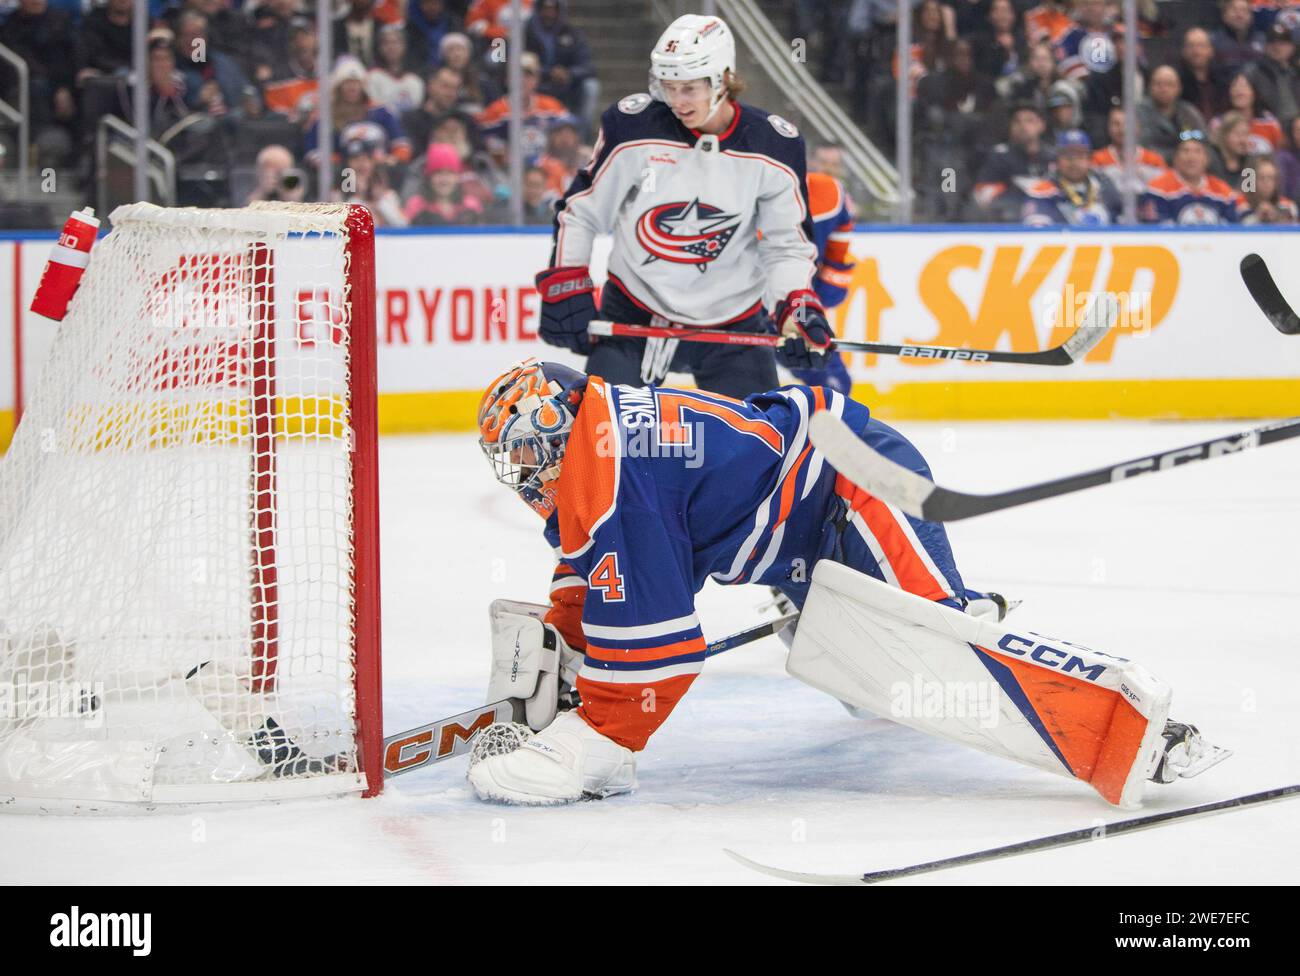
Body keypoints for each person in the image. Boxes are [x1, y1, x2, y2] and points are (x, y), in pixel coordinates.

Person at [465, 359, 1221, 804]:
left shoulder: (613, 474)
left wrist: (589, 742)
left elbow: (658, 654)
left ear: (565, 429)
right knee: (875, 674)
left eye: (532, 452)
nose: (526, 475)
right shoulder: (604, 444)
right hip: (803, 527)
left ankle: (1137, 730)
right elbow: (604, 572)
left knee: (937, 648)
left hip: (854, 478)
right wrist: (568, 637)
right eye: (514, 462)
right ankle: (955, 601)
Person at [534, 14, 827, 400]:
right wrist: (568, 281)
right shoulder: (634, 128)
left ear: (722, 80)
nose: (676, 102)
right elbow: (582, 211)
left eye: (689, 89)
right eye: (668, 87)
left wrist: (796, 306)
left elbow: (786, 245)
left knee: (758, 450)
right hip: (634, 314)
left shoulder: (773, 145)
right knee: (599, 445)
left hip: (733, 324)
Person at [1139, 129, 1246, 223]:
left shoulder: (1223, 192)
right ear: (1175, 158)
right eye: (1185, 151)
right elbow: (1158, 229)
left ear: (1207, 159)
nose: (1191, 157)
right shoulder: (1157, 188)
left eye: (1197, 151)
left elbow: (1232, 228)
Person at [1021, 129, 1121, 225]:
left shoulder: (1105, 186)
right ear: (1057, 160)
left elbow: (1124, 221)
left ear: (1089, 160)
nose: (1074, 162)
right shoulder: (1042, 191)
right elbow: (1037, 228)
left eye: (1080, 156)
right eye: (1068, 156)